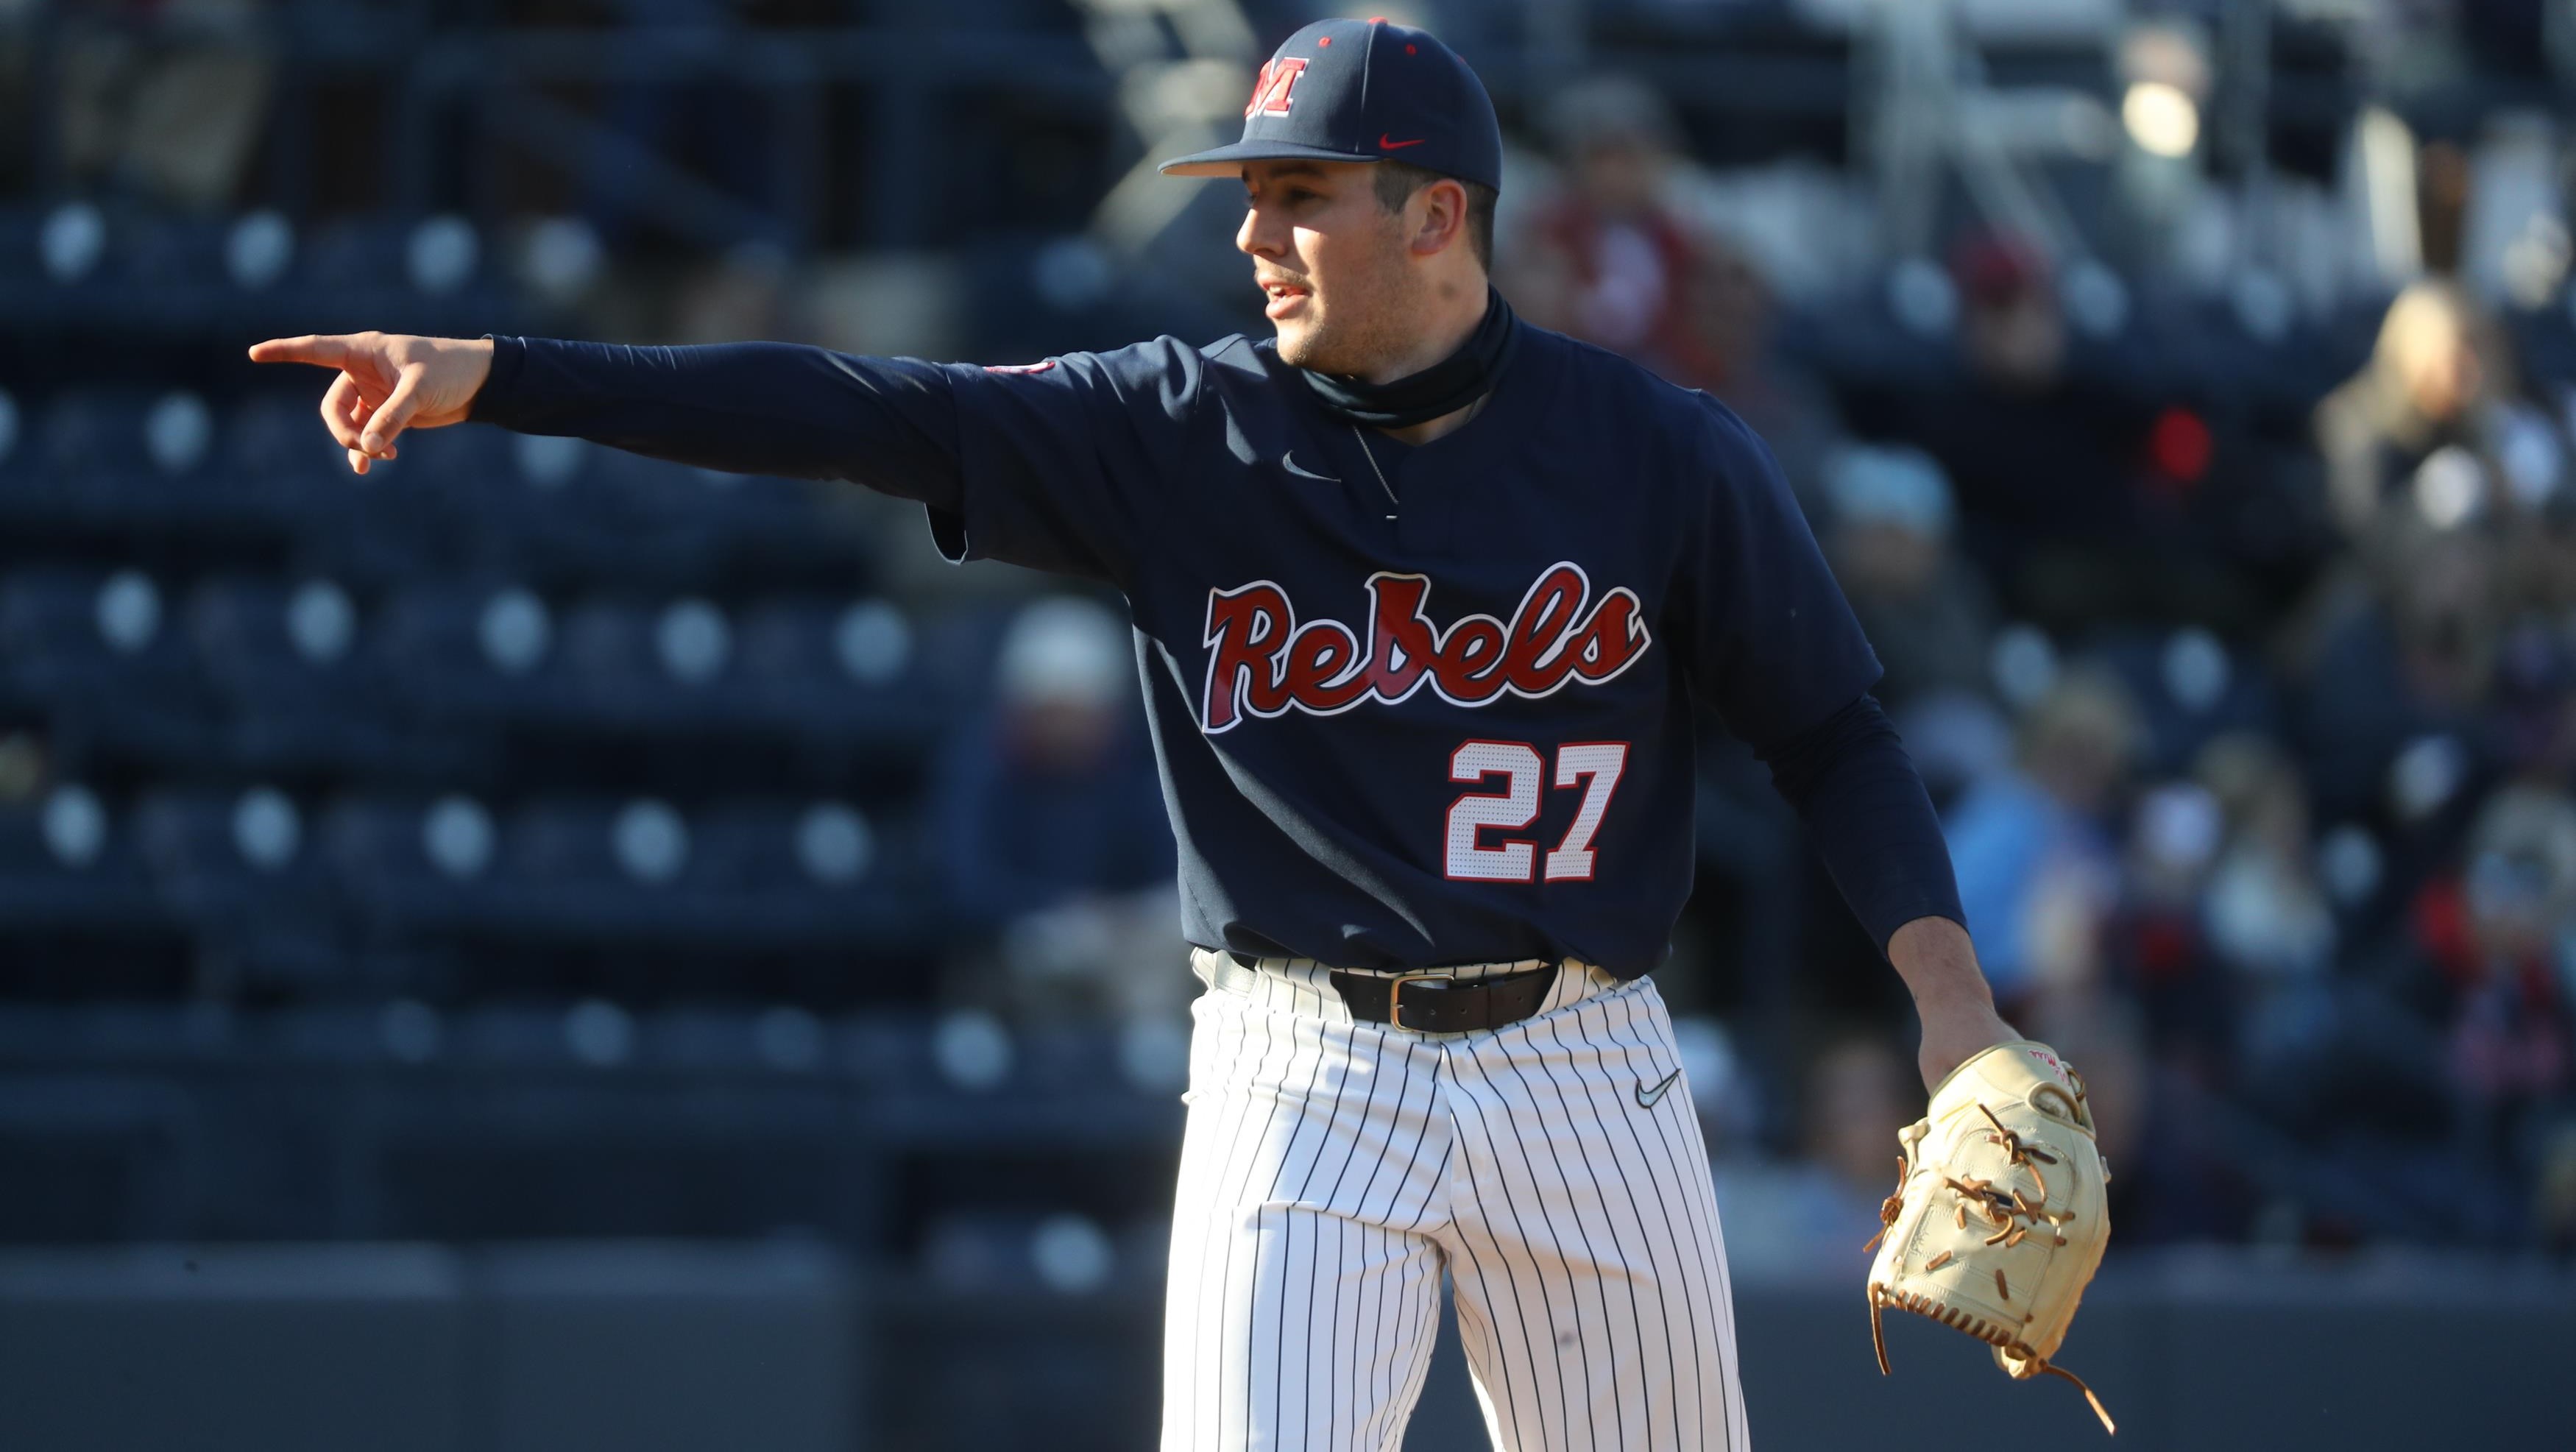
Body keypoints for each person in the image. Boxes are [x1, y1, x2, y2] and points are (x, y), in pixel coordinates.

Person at [251, 20, 2025, 1450]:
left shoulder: (1660, 452)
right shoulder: (1175, 431)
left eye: (1298, 195)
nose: (1248, 232)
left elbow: (1835, 735)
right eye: (1246, 194)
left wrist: (1952, 1009)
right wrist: (506, 370)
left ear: (1436, 217)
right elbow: (861, 411)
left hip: (1588, 1067)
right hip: (1302, 1066)